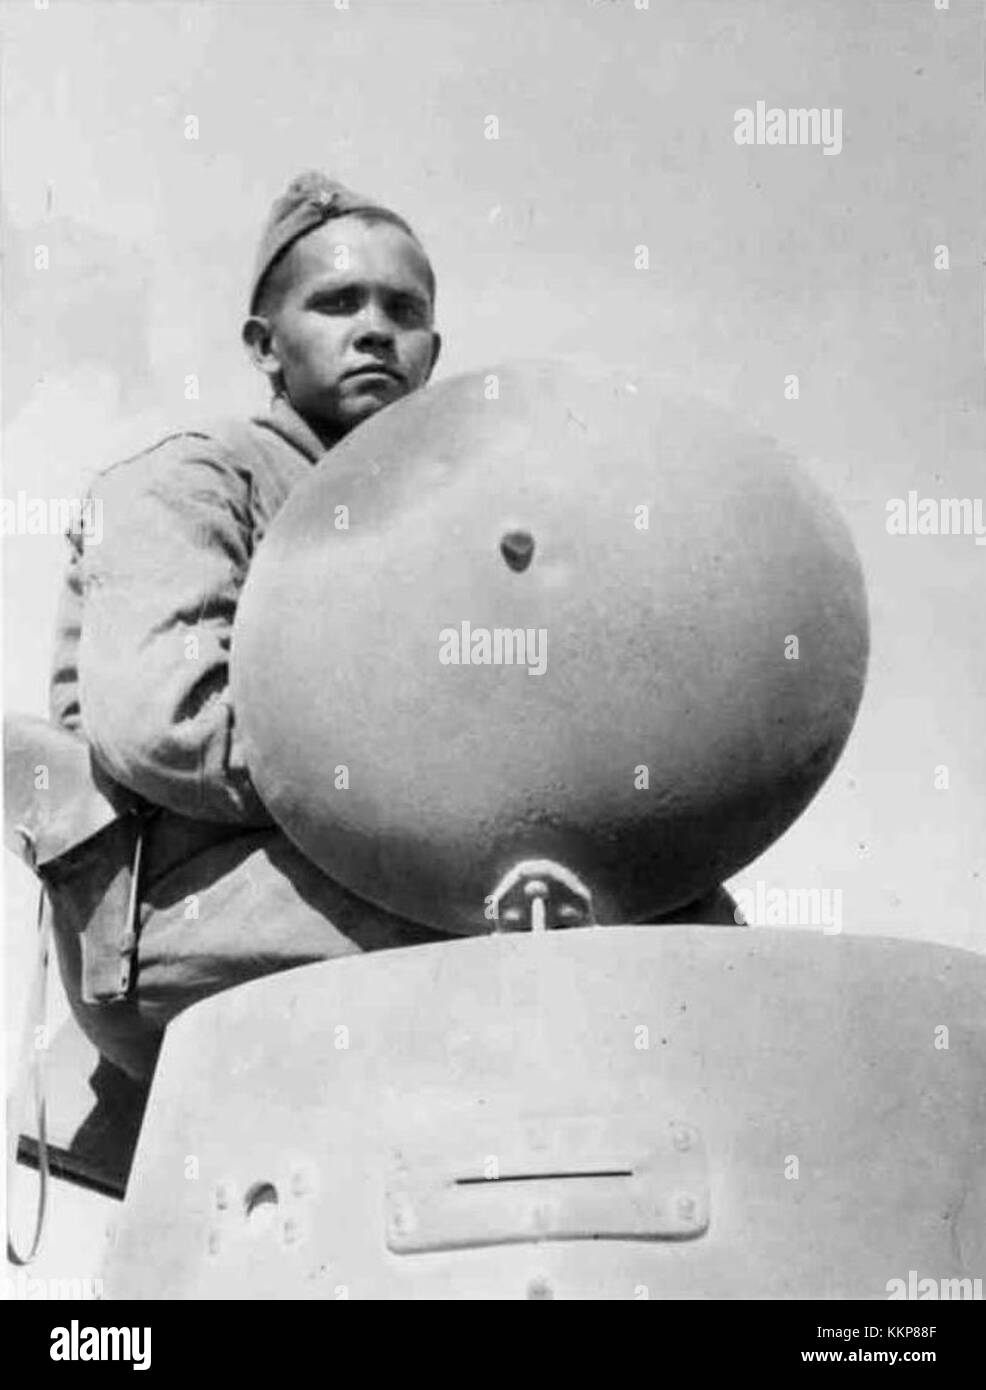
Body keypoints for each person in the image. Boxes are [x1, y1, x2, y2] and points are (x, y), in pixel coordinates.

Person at [45, 171, 738, 1086]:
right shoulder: (195, 480)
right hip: (181, 909)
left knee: (699, 927)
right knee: (614, 941)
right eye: (336, 303)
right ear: (265, 344)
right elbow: (168, 725)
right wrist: (449, 797)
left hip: (384, 865)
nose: (374, 327)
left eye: (402, 310)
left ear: (432, 350)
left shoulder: (430, 522)